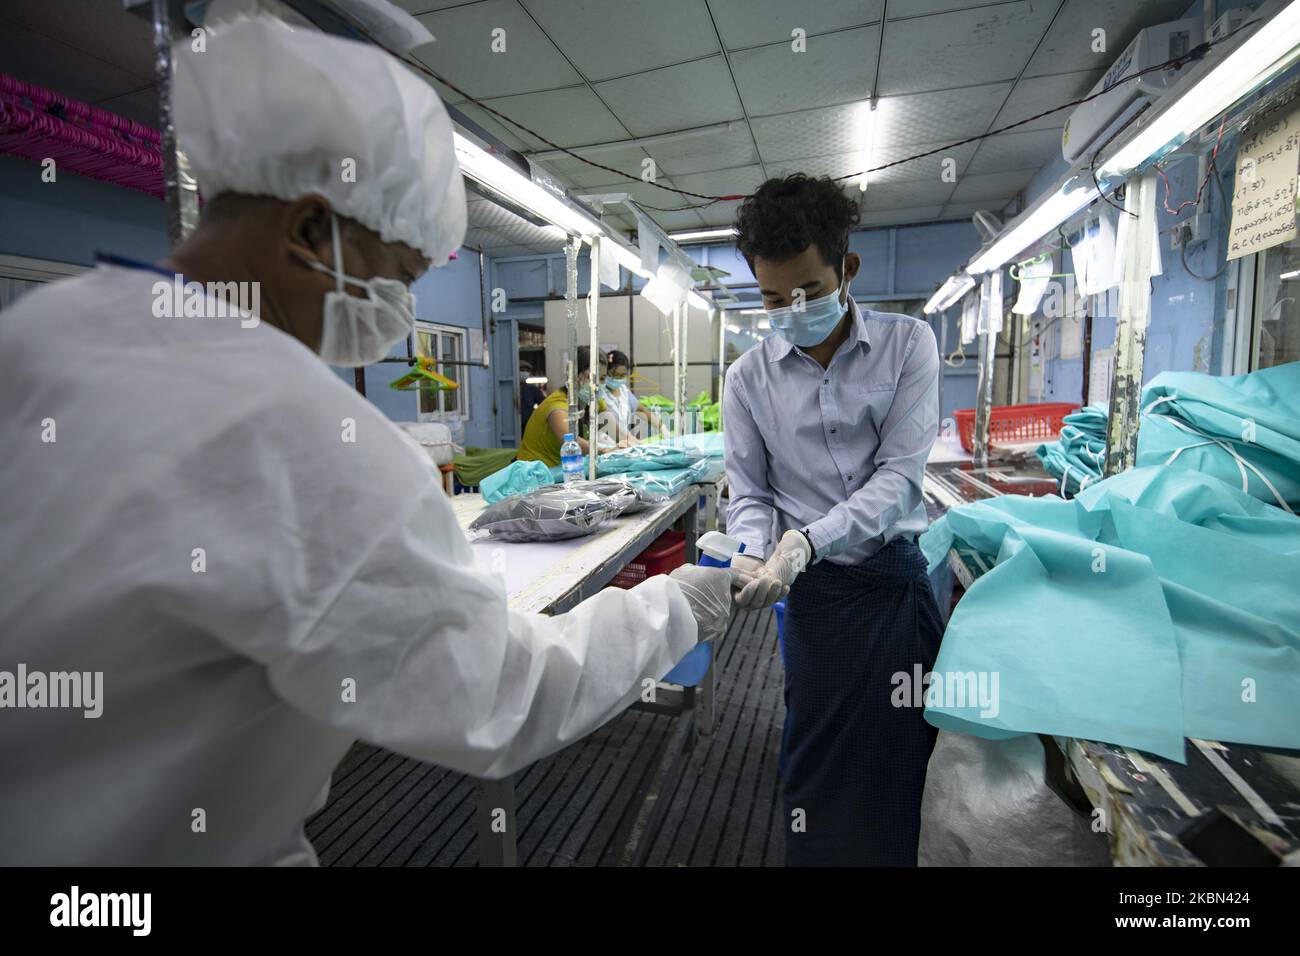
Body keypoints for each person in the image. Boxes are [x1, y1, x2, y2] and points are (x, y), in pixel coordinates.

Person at [0, 17, 735, 866]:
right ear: (313, 231)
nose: (395, 317)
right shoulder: (296, 429)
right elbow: (495, 694)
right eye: (397, 279)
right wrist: (679, 604)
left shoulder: (48, 328)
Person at [724, 174, 942, 866]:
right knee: (813, 762)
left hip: (894, 594)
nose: (789, 309)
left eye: (808, 292)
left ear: (847, 269)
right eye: (770, 297)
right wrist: (751, 550)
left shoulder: (909, 347)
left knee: (905, 758)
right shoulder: (746, 380)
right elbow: (751, 493)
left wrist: (807, 541)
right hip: (819, 603)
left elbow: (899, 479)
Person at [517, 345, 611, 466]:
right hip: (535, 472)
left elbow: (615, 429)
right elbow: (573, 442)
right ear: (574, 376)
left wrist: (634, 444)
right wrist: (606, 451)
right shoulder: (557, 408)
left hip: (566, 469)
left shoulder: (595, 401)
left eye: (602, 378)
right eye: (591, 377)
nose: (597, 384)